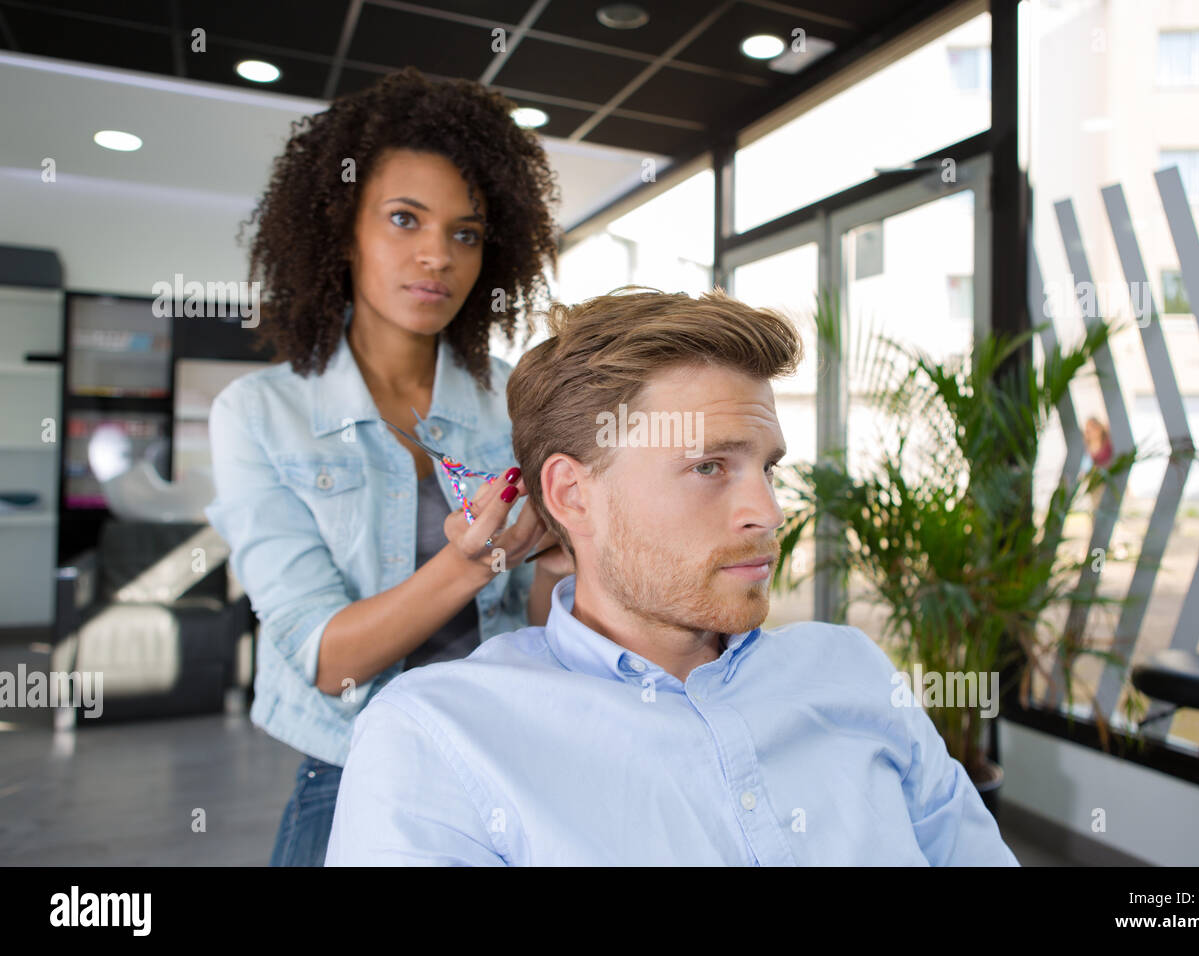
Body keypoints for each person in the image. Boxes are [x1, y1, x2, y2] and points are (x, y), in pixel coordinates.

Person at [324, 287, 1020, 866]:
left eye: (766, 468)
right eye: (709, 467)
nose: (768, 512)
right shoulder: (439, 738)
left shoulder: (852, 673)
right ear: (572, 495)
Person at [204, 67, 574, 867]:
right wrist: (473, 562)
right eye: (405, 219)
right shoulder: (258, 416)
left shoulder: (517, 397)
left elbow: (541, 627)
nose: (436, 255)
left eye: (466, 233)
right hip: (353, 772)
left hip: (509, 759)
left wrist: (560, 560)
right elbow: (326, 656)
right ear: (342, 230)